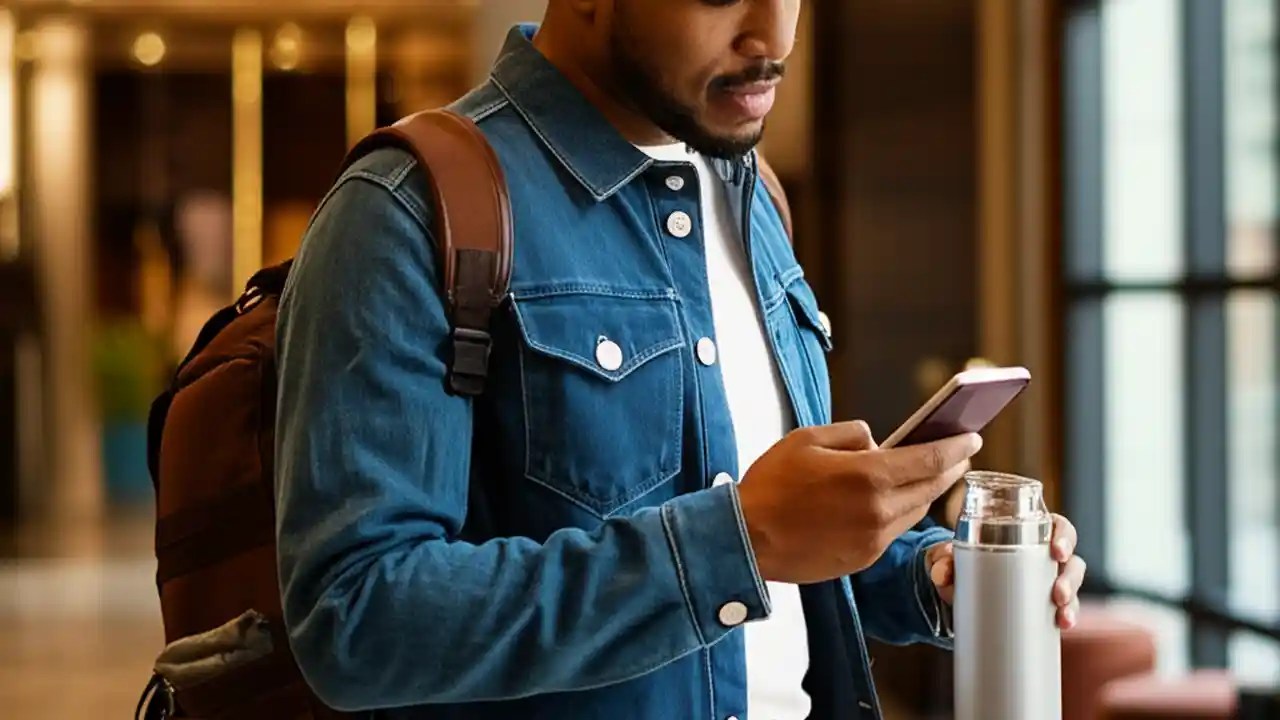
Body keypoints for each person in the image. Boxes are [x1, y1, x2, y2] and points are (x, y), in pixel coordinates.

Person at [273, 2, 1087, 718]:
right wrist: (739, 542)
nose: (773, 37)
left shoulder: (754, 196)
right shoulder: (405, 213)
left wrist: (927, 574)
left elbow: (784, 558)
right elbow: (355, 623)